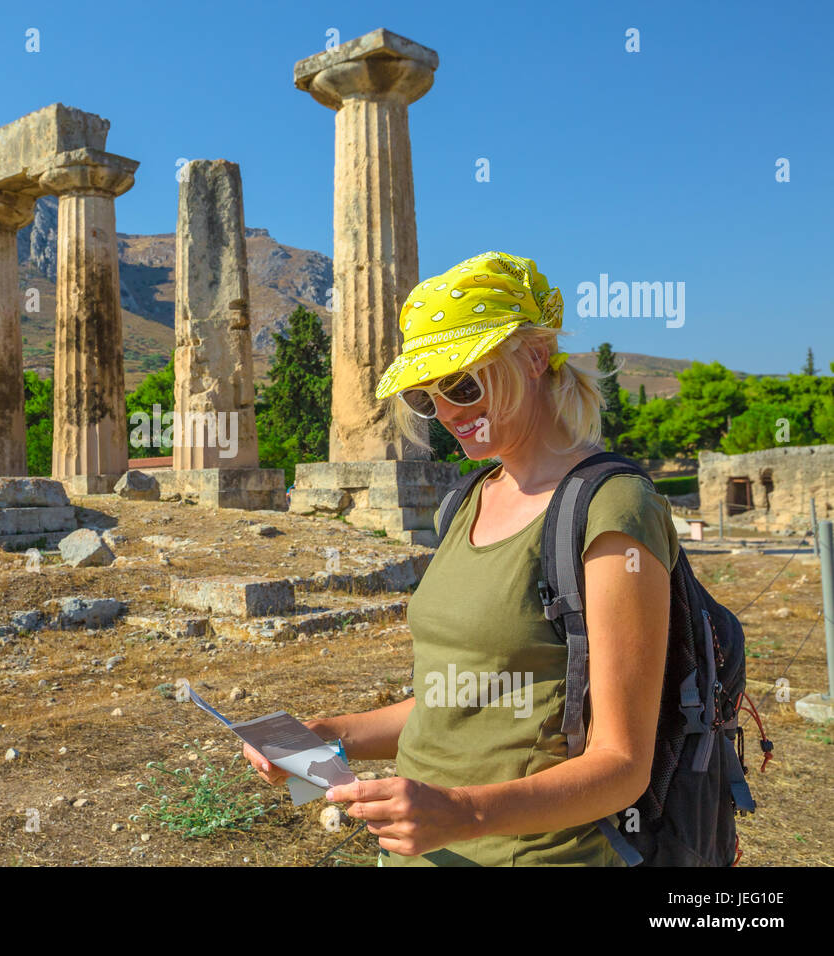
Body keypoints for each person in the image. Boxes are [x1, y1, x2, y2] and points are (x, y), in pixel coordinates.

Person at [243, 251, 679, 866]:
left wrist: (466, 814)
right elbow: (455, 701)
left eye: (463, 384)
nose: (446, 411)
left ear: (533, 357)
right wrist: (329, 734)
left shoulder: (613, 509)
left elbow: (622, 765)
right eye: (427, 397)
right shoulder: (464, 502)